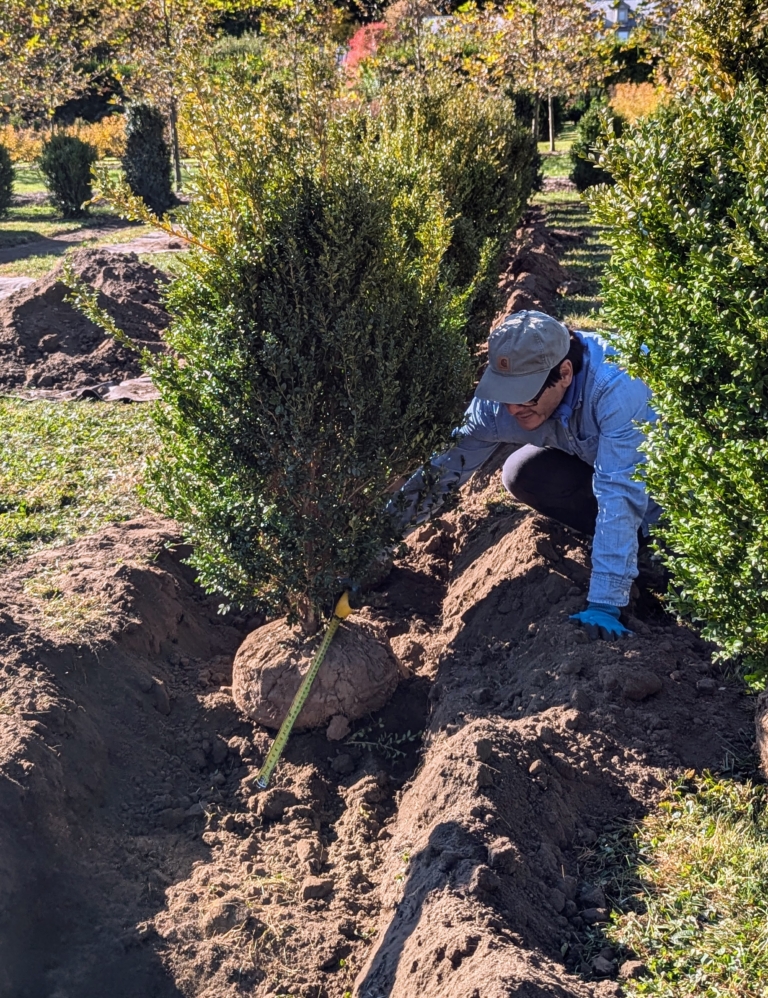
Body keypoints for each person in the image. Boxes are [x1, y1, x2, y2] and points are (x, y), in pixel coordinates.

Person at [389, 310, 661, 640]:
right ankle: (631, 546)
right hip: (604, 467)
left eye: (526, 396)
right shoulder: (501, 405)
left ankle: (652, 552)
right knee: (522, 473)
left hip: (669, 489)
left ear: (564, 373)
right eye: (506, 395)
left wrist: (605, 602)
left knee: (648, 527)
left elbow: (621, 492)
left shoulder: (617, 388)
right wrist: (377, 545)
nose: (513, 410)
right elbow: (444, 471)